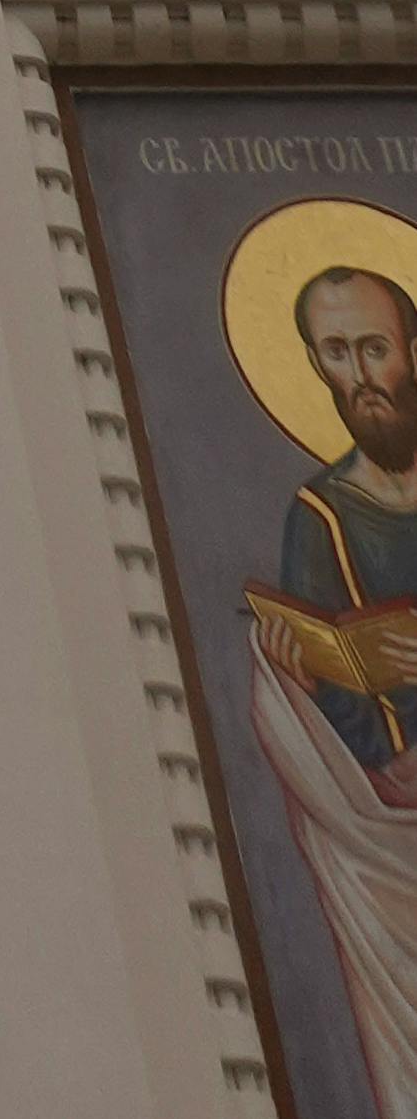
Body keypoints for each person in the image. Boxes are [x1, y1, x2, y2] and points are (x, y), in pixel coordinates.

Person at [248, 265, 417, 1103]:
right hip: (395, 829)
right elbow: (339, 704)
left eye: (374, 350)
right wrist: (297, 680)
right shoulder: (316, 516)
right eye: (335, 353)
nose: (357, 378)